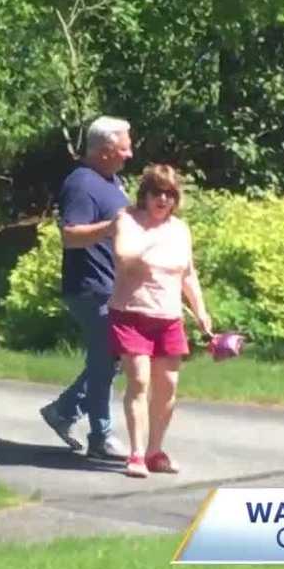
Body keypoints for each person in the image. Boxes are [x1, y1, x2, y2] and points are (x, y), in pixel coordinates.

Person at [40, 116, 134, 461]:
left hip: (114, 285)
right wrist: (111, 226)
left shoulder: (112, 181)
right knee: (106, 360)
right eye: (125, 147)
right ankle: (101, 435)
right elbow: (70, 235)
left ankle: (63, 411)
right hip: (90, 287)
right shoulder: (81, 184)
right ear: (107, 150)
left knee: (110, 360)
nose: (130, 153)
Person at [109, 164, 212, 477]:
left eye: (170, 194)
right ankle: (137, 454)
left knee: (167, 387)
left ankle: (156, 451)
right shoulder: (127, 219)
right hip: (131, 312)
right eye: (157, 193)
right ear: (145, 194)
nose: (163, 200)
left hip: (168, 317)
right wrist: (151, 239)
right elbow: (123, 255)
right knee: (139, 381)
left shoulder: (180, 229)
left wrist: (201, 312)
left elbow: (188, 274)